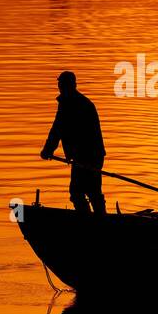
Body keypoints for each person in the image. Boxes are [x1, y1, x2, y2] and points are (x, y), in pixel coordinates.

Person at [40, 71, 107, 214]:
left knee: (80, 191)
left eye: (62, 84)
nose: (59, 87)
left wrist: (48, 150)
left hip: (88, 156)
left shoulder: (73, 104)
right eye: (59, 84)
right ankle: (97, 222)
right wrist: (49, 150)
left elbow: (57, 128)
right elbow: (57, 129)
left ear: (71, 85)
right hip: (86, 156)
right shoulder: (73, 102)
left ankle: (94, 223)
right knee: (89, 191)